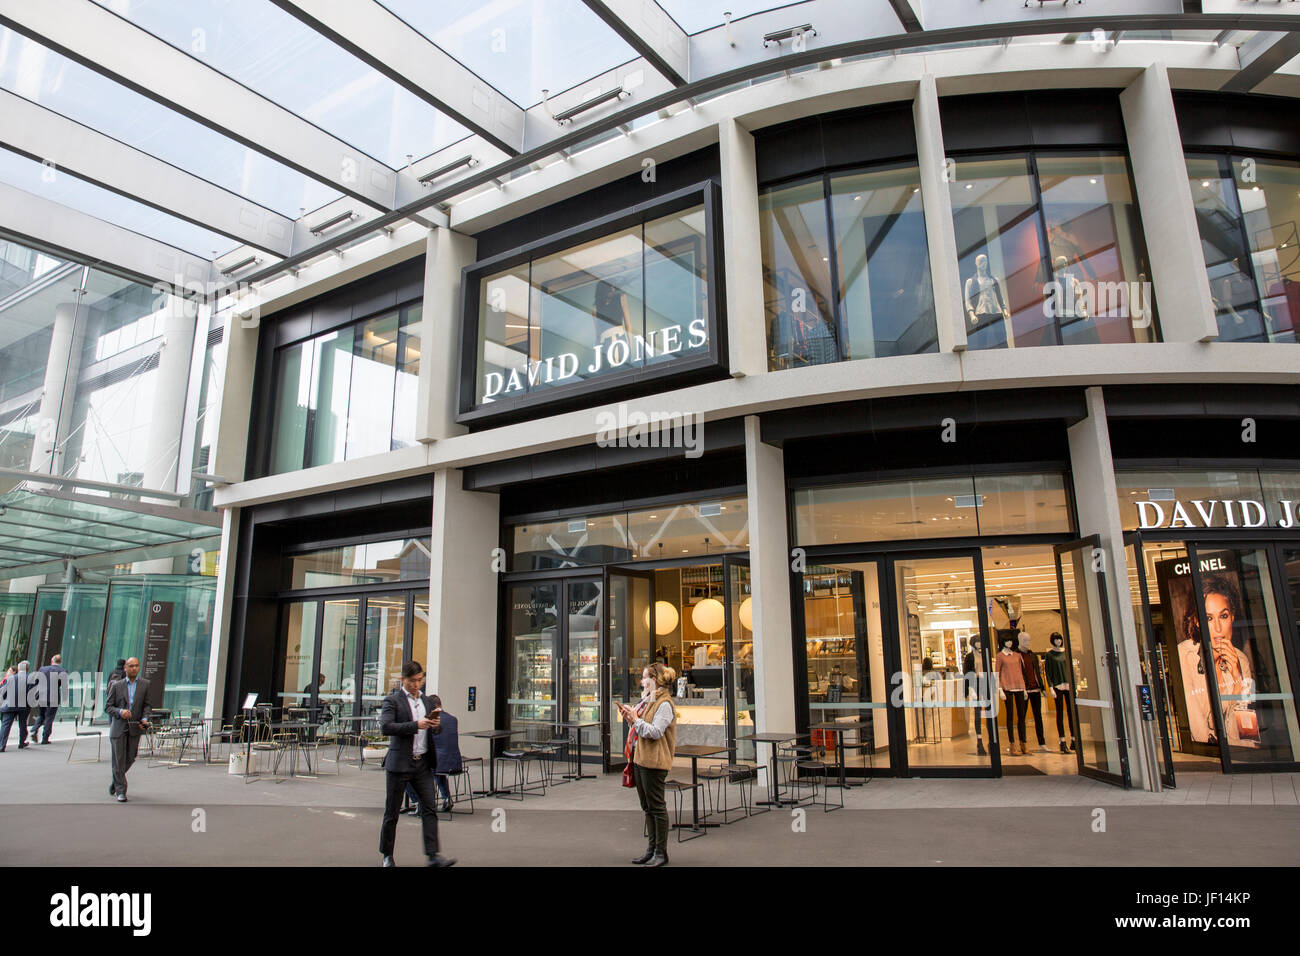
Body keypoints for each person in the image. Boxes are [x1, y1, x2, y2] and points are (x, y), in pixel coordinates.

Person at [378, 661, 454, 867]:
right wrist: (415, 725)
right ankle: (387, 855)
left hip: (422, 763)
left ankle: (433, 855)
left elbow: (433, 731)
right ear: (403, 680)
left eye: (419, 680)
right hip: (400, 763)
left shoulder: (427, 702)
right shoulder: (393, 700)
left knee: (430, 808)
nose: (416, 685)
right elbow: (386, 727)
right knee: (392, 811)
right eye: (412, 681)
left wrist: (435, 725)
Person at [617, 662, 678, 867]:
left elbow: (655, 732)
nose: (642, 681)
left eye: (645, 678)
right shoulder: (648, 701)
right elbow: (641, 728)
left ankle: (661, 852)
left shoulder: (664, 704)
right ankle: (652, 849)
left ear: (655, 680)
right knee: (647, 807)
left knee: (656, 807)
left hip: (655, 761)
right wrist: (631, 718)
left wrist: (635, 720)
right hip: (640, 758)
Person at [105, 657, 152, 801]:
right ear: (125, 668)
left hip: (135, 727)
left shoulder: (145, 685)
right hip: (118, 727)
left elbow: (147, 705)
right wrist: (120, 712)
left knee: (130, 757)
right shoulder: (117, 685)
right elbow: (108, 707)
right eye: (131, 666)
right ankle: (121, 791)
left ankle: (116, 781)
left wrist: (145, 719)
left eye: (136, 666)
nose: (134, 668)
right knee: (118, 760)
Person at [33, 654, 69, 745]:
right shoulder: (63, 671)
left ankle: (34, 729)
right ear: (60, 662)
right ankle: (45, 738)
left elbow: (36, 681)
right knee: (49, 717)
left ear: (51, 661)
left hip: (42, 695)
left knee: (41, 714)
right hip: (53, 697)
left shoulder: (43, 669)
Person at [0, 660, 33, 752]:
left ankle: (1, 745)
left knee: (5, 725)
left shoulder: (10, 678)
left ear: (18, 669)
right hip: (24, 706)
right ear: (27, 669)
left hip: (9, 704)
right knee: (22, 724)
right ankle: (22, 742)